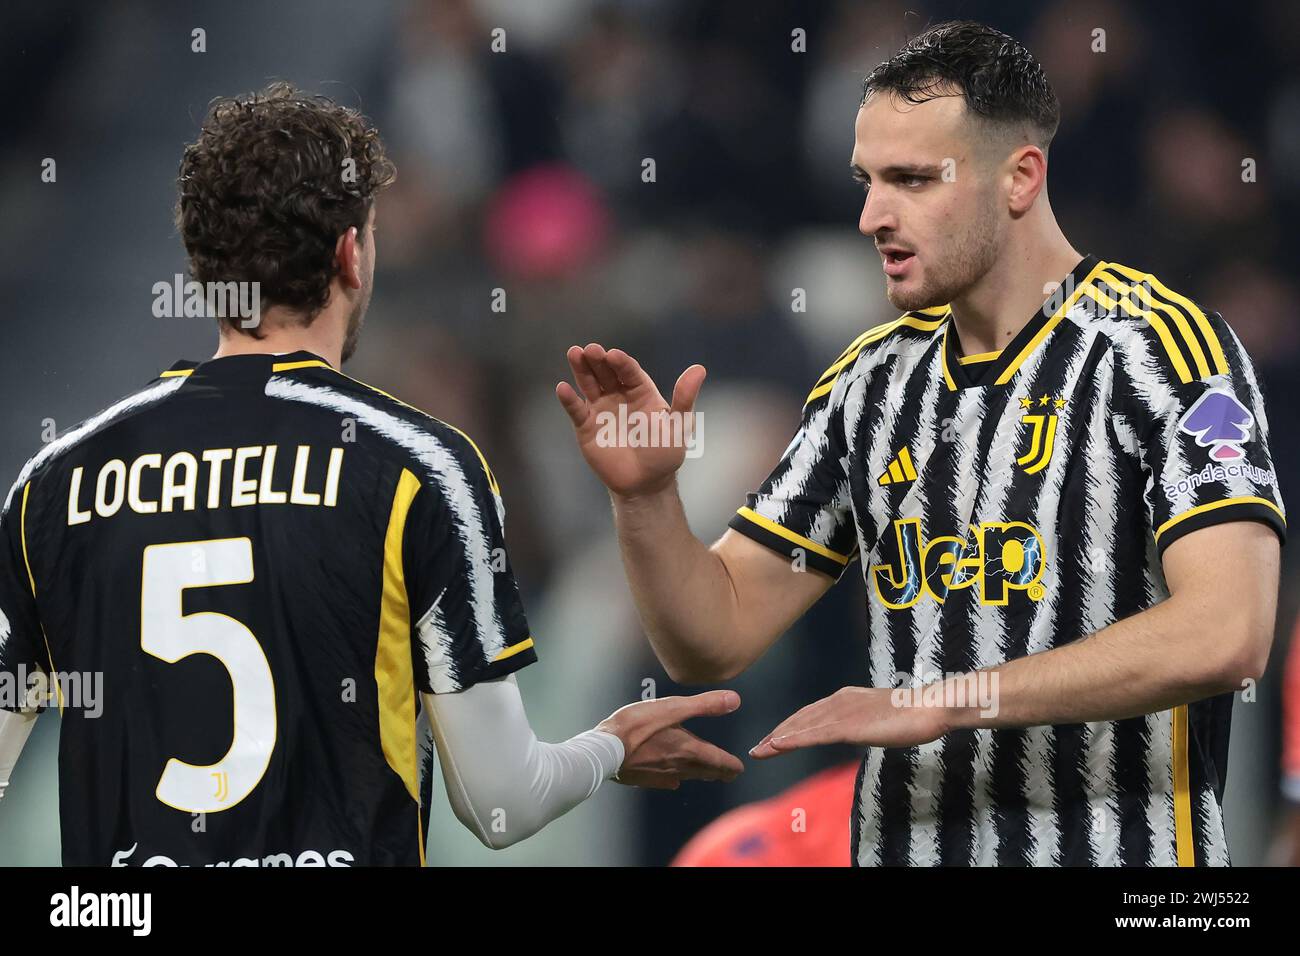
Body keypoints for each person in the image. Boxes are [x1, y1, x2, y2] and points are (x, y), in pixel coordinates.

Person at [556, 20, 1284, 866]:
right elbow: (709, 637)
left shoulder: (1160, 348)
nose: (871, 216)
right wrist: (647, 500)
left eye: (909, 180)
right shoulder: (867, 382)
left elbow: (1227, 633)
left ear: (1020, 178)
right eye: (867, 181)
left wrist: (946, 699)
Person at [0, 83, 742, 867]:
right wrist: (608, 751)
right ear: (351, 253)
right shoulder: (417, 468)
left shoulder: (53, 487)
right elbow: (499, 803)